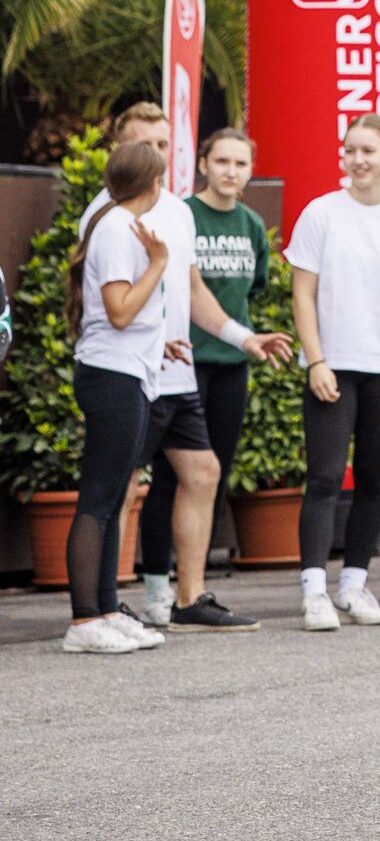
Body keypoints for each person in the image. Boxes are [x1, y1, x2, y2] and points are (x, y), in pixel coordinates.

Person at [80, 102, 291, 635]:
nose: (156, 153)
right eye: (144, 144)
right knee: (117, 488)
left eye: (162, 143)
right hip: (125, 370)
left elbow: (193, 291)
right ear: (120, 150)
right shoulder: (103, 215)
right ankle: (110, 605)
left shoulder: (176, 211)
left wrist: (244, 338)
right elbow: (112, 308)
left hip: (171, 371)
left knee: (203, 471)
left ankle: (187, 598)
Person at [287, 113, 380, 629]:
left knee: (374, 481)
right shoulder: (320, 214)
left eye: (367, 150)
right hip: (333, 369)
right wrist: (317, 360)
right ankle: (313, 591)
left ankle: (353, 585)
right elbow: (302, 294)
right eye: (350, 150)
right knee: (325, 477)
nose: (358, 160)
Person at [141, 126, 288, 630]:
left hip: (232, 365)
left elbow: (253, 289)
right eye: (222, 161)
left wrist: (246, 339)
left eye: (241, 164)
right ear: (203, 163)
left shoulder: (250, 224)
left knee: (210, 474)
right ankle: (155, 586)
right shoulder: (183, 214)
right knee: (167, 477)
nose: (231, 172)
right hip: (183, 362)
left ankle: (192, 586)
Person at [62, 139, 175, 653]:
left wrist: (161, 341)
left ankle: (106, 608)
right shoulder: (114, 230)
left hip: (127, 370)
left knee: (113, 497)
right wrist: (159, 261)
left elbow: (130, 317)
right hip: (111, 376)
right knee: (100, 498)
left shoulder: (119, 225)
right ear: (153, 184)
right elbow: (120, 311)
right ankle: (85, 621)